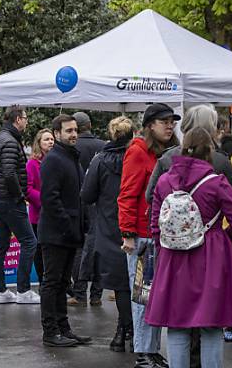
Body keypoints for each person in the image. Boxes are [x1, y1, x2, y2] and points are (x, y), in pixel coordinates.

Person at [145, 104, 232, 344]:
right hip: (211, 252)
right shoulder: (217, 177)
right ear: (209, 150)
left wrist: (161, 245)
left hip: (173, 254)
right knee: (211, 326)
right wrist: (223, 235)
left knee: (176, 325)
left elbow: (154, 215)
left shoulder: (165, 175)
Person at [120, 103, 179, 368]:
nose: (169, 125)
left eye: (171, 121)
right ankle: (143, 351)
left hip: (161, 235)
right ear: (150, 125)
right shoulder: (137, 152)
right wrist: (128, 233)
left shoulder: (166, 152)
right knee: (143, 296)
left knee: (155, 296)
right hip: (142, 236)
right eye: (163, 121)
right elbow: (127, 195)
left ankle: (152, 349)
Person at [82, 116, 135, 353]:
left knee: (120, 284)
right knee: (138, 281)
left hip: (108, 226)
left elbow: (87, 195)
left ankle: (123, 331)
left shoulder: (100, 161)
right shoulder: (138, 158)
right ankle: (132, 330)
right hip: (134, 224)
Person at [37, 114, 91, 347]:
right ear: (57, 133)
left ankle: (63, 328)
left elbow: (78, 197)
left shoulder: (71, 158)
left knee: (61, 283)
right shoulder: (54, 160)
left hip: (69, 233)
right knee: (52, 282)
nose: (74, 134)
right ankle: (50, 331)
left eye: (75, 130)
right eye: (68, 131)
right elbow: (50, 199)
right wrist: (68, 227)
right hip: (56, 233)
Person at [0, 105, 40, 305]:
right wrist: (19, 195)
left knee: (0, 245)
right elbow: (10, 173)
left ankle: (0, 290)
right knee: (29, 242)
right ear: (18, 119)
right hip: (9, 200)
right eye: (25, 118)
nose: (26, 121)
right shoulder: (10, 141)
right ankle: (23, 290)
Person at [71, 111, 104, 307]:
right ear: (90, 125)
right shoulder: (102, 146)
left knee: (79, 248)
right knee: (97, 247)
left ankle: (79, 292)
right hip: (98, 204)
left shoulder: (72, 147)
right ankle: (96, 294)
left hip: (76, 202)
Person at [26, 128, 53, 285]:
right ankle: (43, 281)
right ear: (39, 143)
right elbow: (28, 189)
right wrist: (44, 201)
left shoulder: (56, 161)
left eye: (52, 139)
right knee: (39, 249)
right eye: (46, 139)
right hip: (38, 214)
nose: (50, 142)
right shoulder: (32, 164)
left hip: (54, 214)